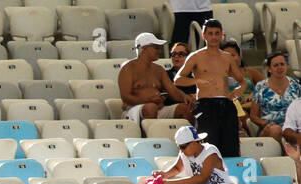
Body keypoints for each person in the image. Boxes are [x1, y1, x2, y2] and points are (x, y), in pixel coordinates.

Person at [173, 20, 245, 157]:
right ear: (204, 35)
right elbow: (178, 79)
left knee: (230, 146)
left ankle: (228, 176)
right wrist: (198, 80)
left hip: (225, 103)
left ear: (221, 35)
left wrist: (237, 92)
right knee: (208, 145)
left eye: (217, 33)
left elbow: (243, 82)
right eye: (210, 33)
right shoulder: (196, 56)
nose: (214, 37)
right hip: (206, 104)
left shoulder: (227, 57)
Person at [161, 125, 255, 184]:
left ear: (193, 143)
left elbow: (203, 178)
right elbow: (177, 168)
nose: (181, 150)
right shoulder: (184, 153)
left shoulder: (210, 150)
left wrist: (172, 182)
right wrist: (163, 175)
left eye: (182, 147)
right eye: (179, 147)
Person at [120, 33, 194, 122]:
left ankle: (188, 135)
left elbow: (173, 91)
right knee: (151, 108)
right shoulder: (128, 68)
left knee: (185, 109)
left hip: (157, 109)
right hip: (134, 110)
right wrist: (148, 100)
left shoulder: (159, 70)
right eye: (156, 47)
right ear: (144, 48)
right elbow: (125, 97)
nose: (159, 51)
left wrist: (185, 97)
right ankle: (151, 135)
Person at [249, 51, 301, 141]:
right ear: (269, 69)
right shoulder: (260, 87)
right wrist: (265, 124)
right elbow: (253, 116)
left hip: (292, 128)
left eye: (282, 64)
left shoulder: (296, 85)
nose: (279, 67)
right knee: (276, 130)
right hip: (269, 127)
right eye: (276, 65)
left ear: (286, 66)